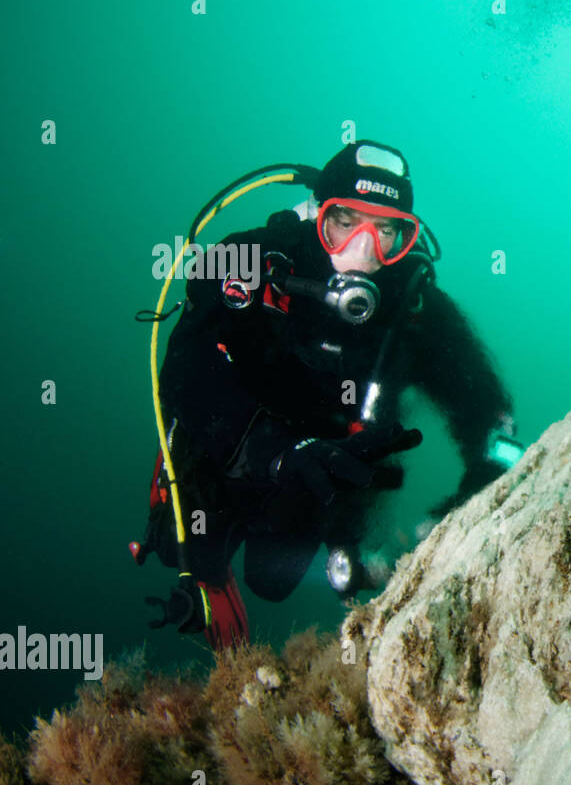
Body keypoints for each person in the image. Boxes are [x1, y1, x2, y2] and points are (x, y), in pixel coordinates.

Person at [132, 140, 518, 649]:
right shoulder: (251, 257)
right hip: (231, 445)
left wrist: (478, 488)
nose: (364, 250)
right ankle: (197, 540)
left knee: (272, 581)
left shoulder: (413, 304)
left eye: (386, 232)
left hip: (321, 473)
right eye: (345, 221)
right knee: (182, 548)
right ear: (318, 212)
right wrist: (266, 448)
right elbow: (182, 368)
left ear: (406, 238)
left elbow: (488, 412)